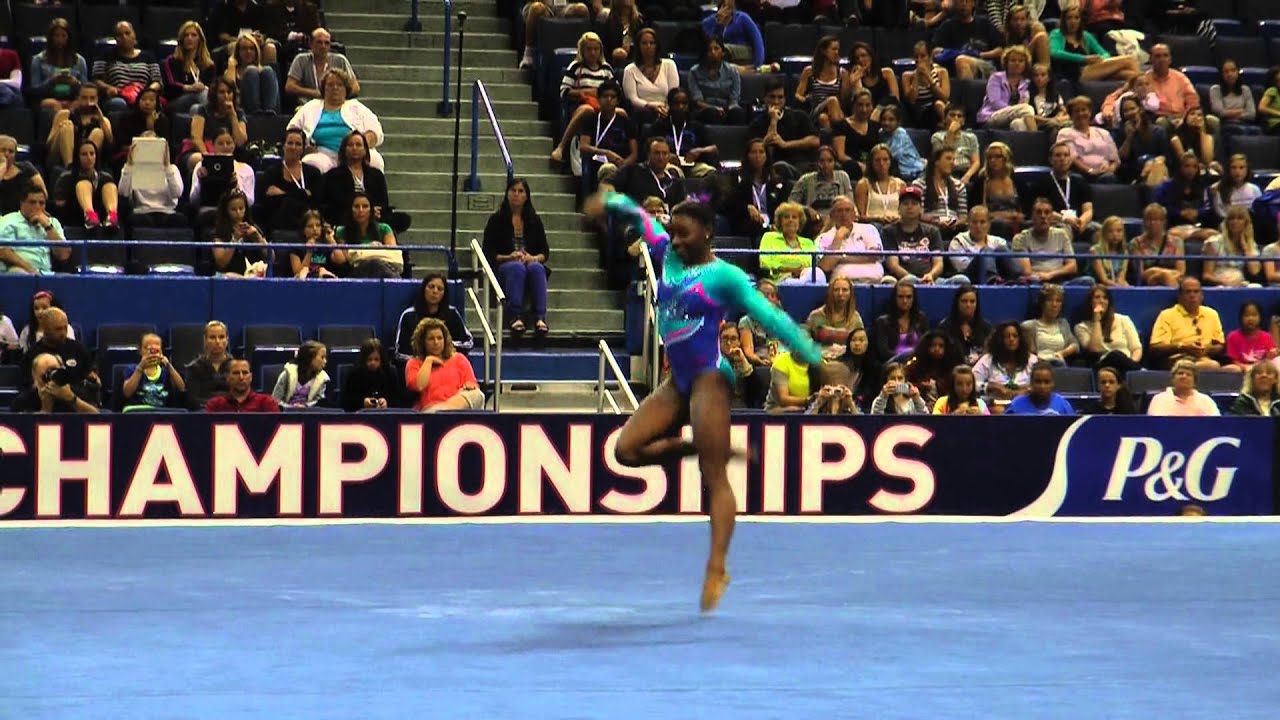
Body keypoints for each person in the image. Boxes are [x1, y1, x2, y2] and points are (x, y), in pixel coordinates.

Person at [584, 190, 823, 614]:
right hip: (678, 380)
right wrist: (609, 201)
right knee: (626, 450)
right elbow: (640, 216)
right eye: (673, 234)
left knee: (715, 478)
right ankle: (702, 445)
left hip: (710, 378)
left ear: (708, 233)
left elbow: (766, 315)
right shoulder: (668, 256)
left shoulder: (725, 276)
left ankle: (717, 566)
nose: (674, 241)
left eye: (684, 234)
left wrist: (807, 348)